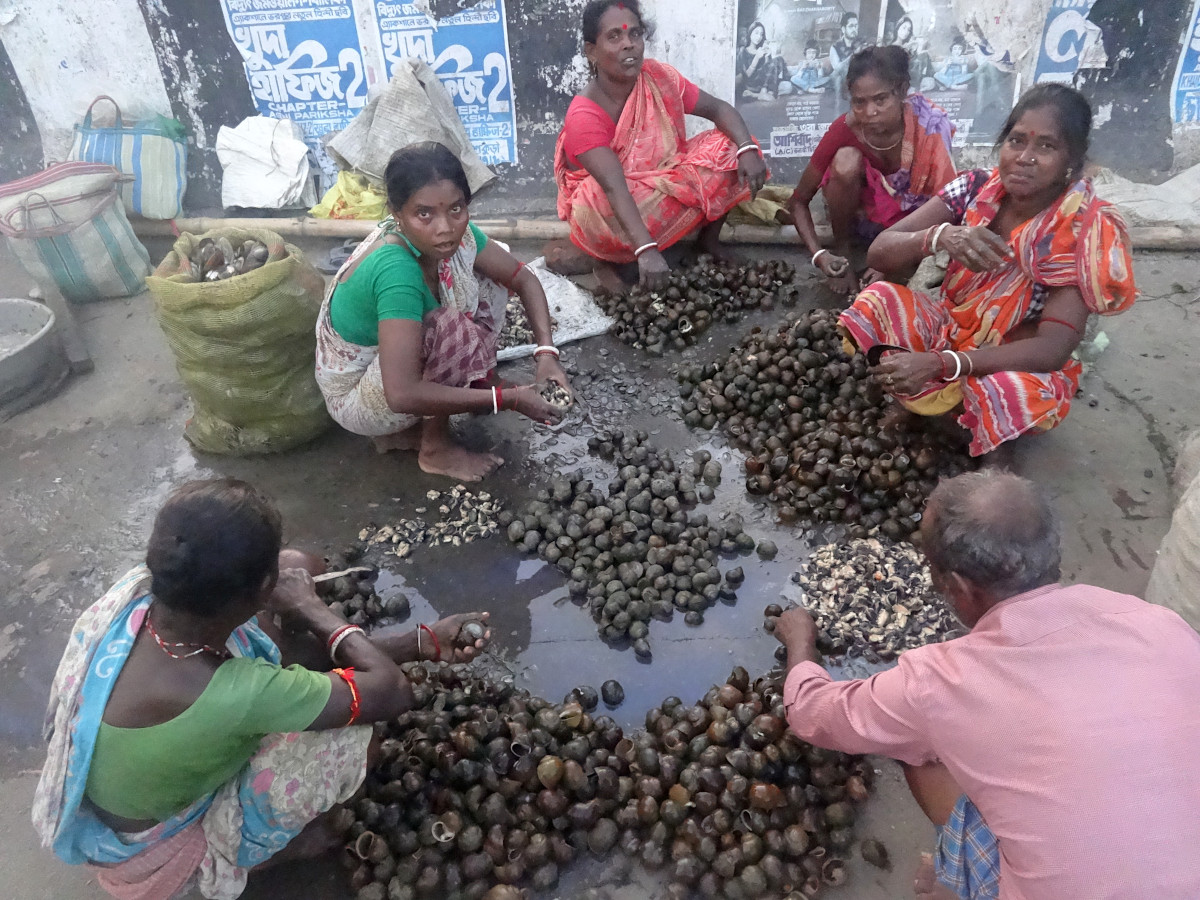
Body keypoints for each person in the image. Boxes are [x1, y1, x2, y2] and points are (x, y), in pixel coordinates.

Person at [32, 478, 493, 900]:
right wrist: (312, 608)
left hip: (127, 777)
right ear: (255, 592)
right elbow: (390, 693)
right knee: (353, 735)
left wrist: (420, 642)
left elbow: (286, 626)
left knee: (301, 566)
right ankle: (254, 858)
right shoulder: (236, 691)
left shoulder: (142, 600)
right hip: (154, 846)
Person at [773, 471, 1200, 899]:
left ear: (958, 586)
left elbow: (814, 716)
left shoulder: (938, 682)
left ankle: (956, 879)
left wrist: (800, 641)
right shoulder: (1155, 622)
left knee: (915, 747)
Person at [840, 84, 1137, 460]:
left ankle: (966, 433)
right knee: (876, 300)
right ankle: (940, 413)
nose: (1025, 158)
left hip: (1010, 359)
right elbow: (880, 252)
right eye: (1016, 141)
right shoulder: (975, 187)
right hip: (949, 330)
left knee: (1015, 394)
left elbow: (1052, 350)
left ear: (1072, 161)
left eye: (1046, 146)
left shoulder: (1081, 230)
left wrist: (943, 363)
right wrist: (940, 237)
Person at [316, 142, 571, 483]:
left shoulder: (457, 237)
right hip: (357, 396)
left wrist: (546, 354)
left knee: (490, 276)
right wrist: (508, 399)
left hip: (390, 372)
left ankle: (466, 390)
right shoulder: (396, 268)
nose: (445, 227)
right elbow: (402, 392)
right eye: (424, 214)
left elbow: (522, 277)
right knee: (446, 327)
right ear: (396, 213)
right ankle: (435, 449)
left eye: (456, 209)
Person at [549, 0, 769, 293]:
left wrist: (745, 148)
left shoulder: (658, 77)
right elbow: (613, 186)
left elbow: (717, 109)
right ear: (592, 51)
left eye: (635, 34)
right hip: (612, 207)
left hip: (660, 182)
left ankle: (707, 241)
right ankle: (608, 260)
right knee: (596, 196)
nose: (628, 44)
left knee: (733, 148)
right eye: (614, 36)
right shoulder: (584, 114)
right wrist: (646, 250)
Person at [787, 46, 957, 294]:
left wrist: (889, 257)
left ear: (900, 91)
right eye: (859, 102)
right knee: (846, 160)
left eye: (880, 100)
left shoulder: (929, 127)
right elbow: (798, 201)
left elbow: (949, 205)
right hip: (864, 219)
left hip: (916, 221)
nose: (870, 113)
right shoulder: (845, 129)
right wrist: (821, 255)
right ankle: (845, 249)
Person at [738, 21, 788, 101]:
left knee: (779, 60)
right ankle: (764, 92)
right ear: (750, 33)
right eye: (756, 33)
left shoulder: (761, 49)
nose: (759, 37)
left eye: (761, 34)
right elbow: (745, 76)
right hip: (752, 84)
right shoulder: (743, 50)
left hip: (764, 83)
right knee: (783, 87)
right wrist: (756, 58)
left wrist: (767, 57)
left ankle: (756, 95)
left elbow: (769, 72)